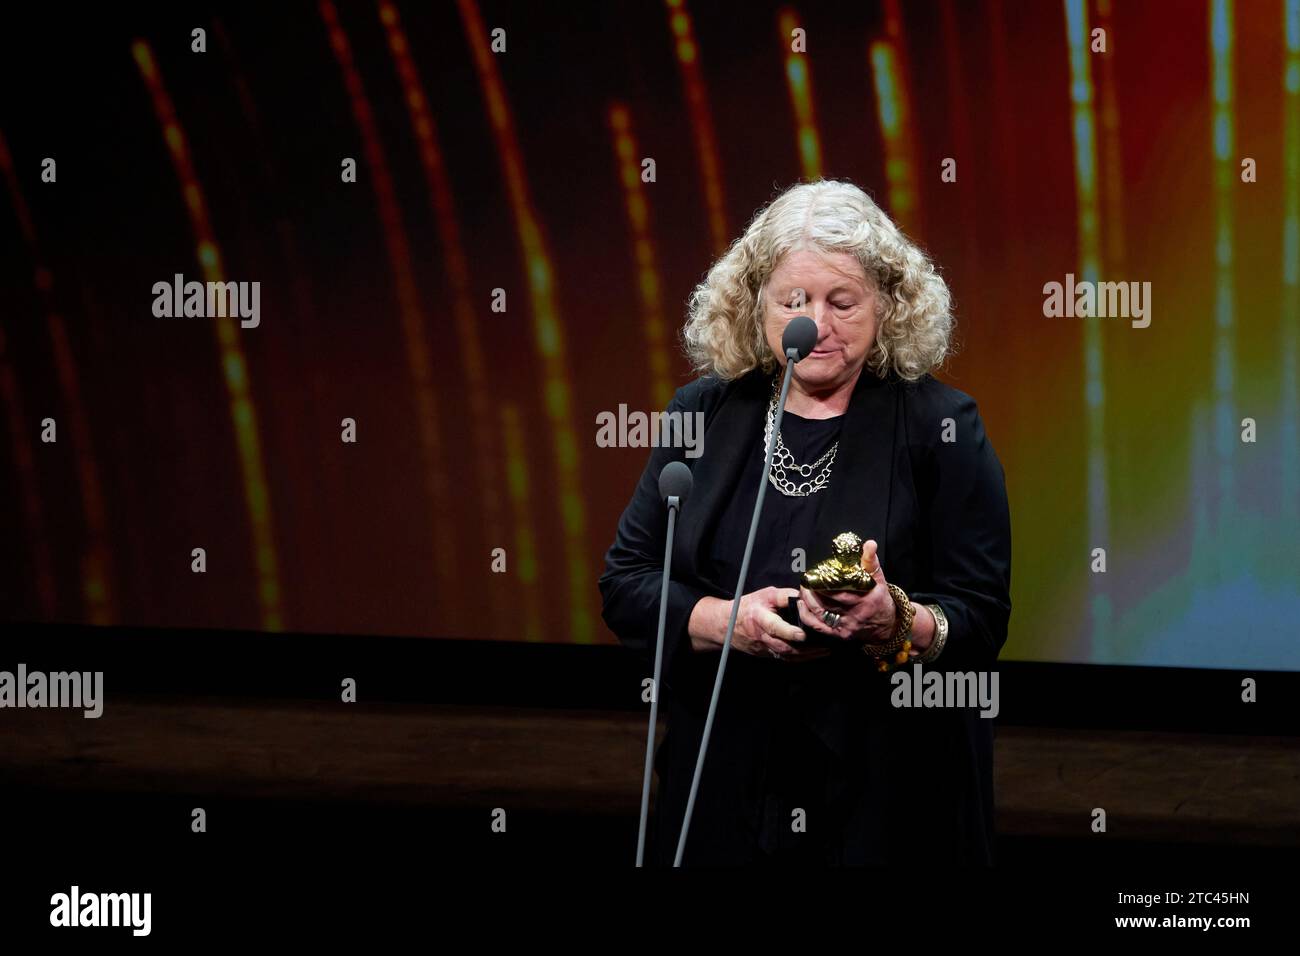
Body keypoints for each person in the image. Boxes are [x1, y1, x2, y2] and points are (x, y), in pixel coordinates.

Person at [599, 179, 1011, 865]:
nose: (814, 324)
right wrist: (728, 621)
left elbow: (981, 619)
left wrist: (895, 621)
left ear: (887, 305)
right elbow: (628, 586)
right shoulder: (703, 414)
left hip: (887, 794)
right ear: (756, 304)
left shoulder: (943, 427)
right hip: (726, 781)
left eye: (841, 302)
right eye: (794, 301)